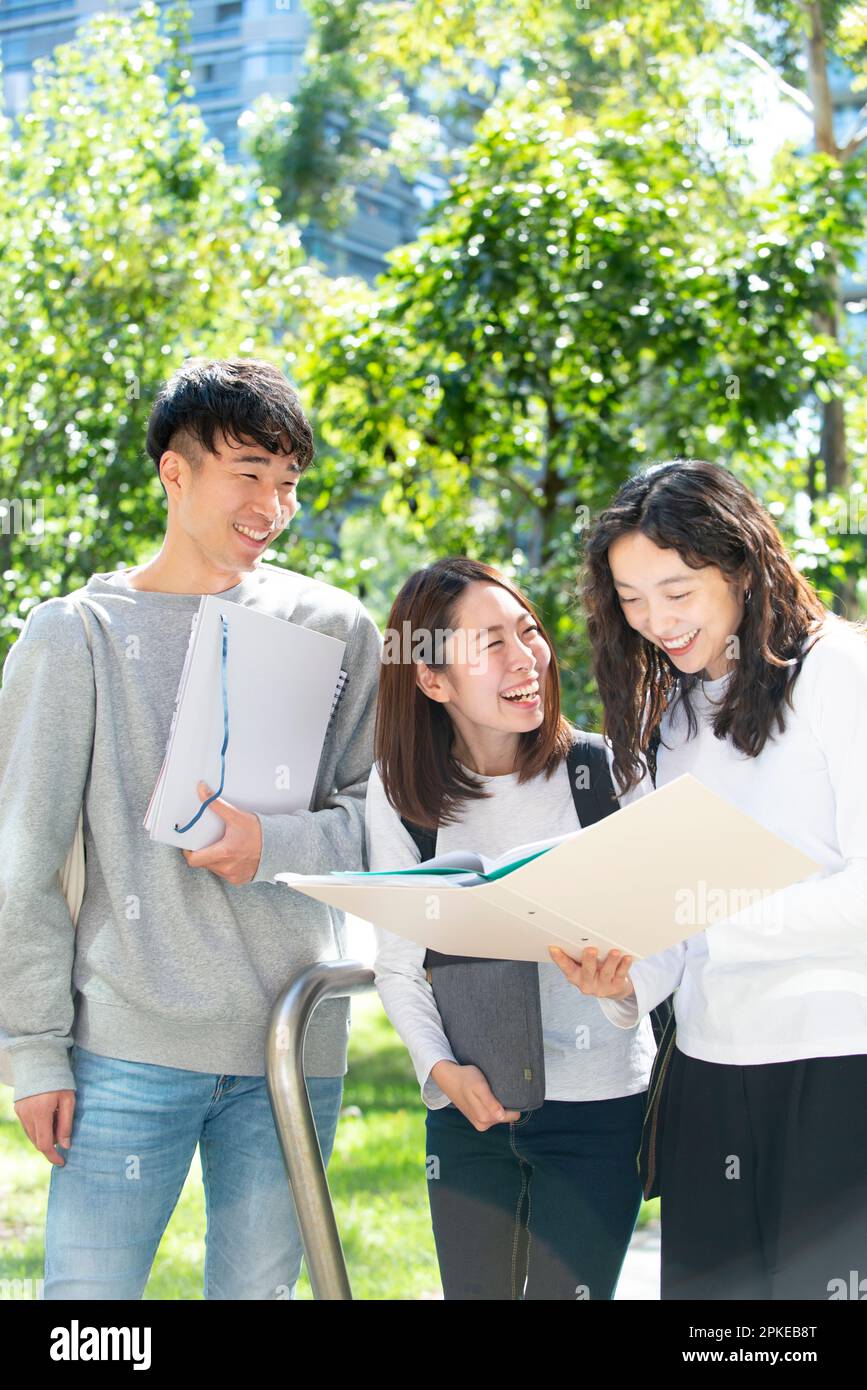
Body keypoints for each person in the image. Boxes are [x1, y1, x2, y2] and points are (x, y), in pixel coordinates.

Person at [0, 357, 382, 1300]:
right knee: (86, 1317)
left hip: (294, 1045)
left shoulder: (333, 625)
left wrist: (274, 846)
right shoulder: (75, 634)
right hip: (128, 1049)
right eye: (248, 472)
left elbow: (387, 825)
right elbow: (23, 862)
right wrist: (33, 1050)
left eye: (288, 481)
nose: (272, 503)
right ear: (174, 471)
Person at [550, 458, 867, 1300]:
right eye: (629, 598)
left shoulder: (839, 673)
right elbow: (666, 937)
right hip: (705, 1075)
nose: (654, 619)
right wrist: (619, 977)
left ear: (739, 566)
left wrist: (707, 921)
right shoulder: (670, 720)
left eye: (677, 590)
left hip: (836, 1068)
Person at [366, 556, 658, 1299]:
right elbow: (399, 964)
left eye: (527, 631)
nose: (526, 656)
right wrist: (440, 1072)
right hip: (469, 1110)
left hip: (599, 1109)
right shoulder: (402, 791)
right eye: (489, 643)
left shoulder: (606, 771)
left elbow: (668, 942)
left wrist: (620, 991)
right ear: (431, 680)